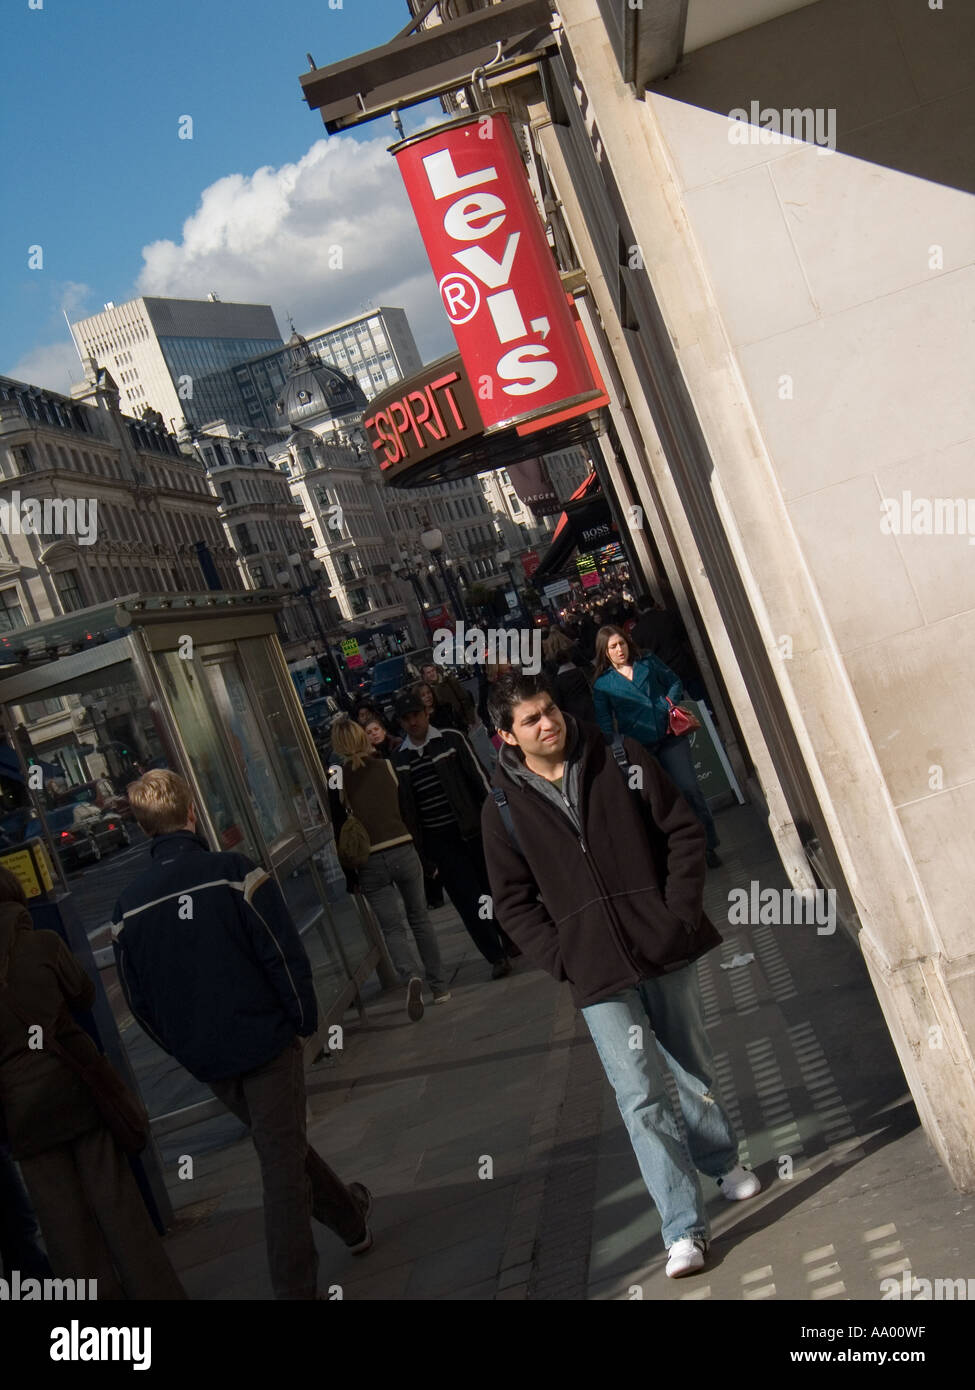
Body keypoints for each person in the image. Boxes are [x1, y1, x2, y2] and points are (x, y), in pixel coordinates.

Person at [481, 674, 759, 1279]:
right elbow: (512, 901)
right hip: (596, 973)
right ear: (507, 735)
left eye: (549, 710)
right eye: (530, 720)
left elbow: (682, 832)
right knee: (639, 1097)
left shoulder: (622, 758)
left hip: (661, 945)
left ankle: (722, 1161)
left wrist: (678, 915)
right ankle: (683, 1230)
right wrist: (562, 957)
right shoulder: (501, 807)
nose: (546, 723)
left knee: (691, 1066)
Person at [113, 770, 373, 1301]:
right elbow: (280, 954)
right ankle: (294, 1289)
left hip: (209, 1056)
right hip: (264, 1043)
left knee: (282, 1148)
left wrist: (183, 1048)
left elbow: (140, 1003)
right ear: (191, 814)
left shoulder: (127, 909)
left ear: (144, 829)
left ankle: (351, 1218)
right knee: (280, 1168)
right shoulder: (233, 874)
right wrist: (302, 1021)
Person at [0, 866, 185, 1299]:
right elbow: (84, 993)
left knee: (66, 1234)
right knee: (121, 1211)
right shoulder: (41, 943)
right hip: (75, 1091)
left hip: (23, 1117)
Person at [392, 690, 519, 980]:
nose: (413, 722)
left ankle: (507, 935)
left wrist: (496, 821)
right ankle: (495, 954)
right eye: (406, 718)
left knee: (491, 889)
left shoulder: (450, 739)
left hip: (472, 830)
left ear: (426, 714)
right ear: (401, 723)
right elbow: (406, 810)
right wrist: (422, 855)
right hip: (440, 842)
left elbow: (478, 779)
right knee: (468, 900)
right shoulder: (399, 759)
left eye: (416, 715)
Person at [328, 717, 450, 1018]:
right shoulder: (387, 766)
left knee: (392, 928)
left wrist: (349, 875)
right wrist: (424, 857)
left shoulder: (335, 776)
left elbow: (339, 828)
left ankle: (411, 977)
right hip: (404, 848)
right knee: (420, 920)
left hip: (370, 861)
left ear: (337, 746)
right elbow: (409, 812)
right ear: (362, 739)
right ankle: (440, 987)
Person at [593, 626, 721, 867]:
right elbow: (604, 721)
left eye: (622, 643)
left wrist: (666, 704)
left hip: (670, 736)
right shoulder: (603, 685)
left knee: (689, 788)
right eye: (613, 646)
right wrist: (613, 747)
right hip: (640, 748)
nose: (619, 649)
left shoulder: (647, 661)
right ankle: (678, 855)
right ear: (605, 652)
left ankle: (709, 844)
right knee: (657, 801)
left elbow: (673, 680)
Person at [632, 595, 706, 700]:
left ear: (639, 610)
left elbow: (641, 657)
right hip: (682, 664)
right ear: (654, 604)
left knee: (678, 706)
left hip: (664, 672)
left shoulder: (637, 632)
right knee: (699, 697)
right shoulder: (668, 616)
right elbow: (683, 635)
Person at [543, 629, 597, 725]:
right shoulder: (573, 651)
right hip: (588, 702)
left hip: (571, 710)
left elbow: (551, 685)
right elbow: (588, 666)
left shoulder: (549, 661)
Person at [420, 662, 476, 731]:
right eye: (428, 672)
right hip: (442, 727)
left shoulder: (449, 681)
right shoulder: (427, 691)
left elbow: (464, 699)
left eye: (433, 670)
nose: (432, 674)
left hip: (459, 721)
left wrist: (470, 720)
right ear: (424, 676)